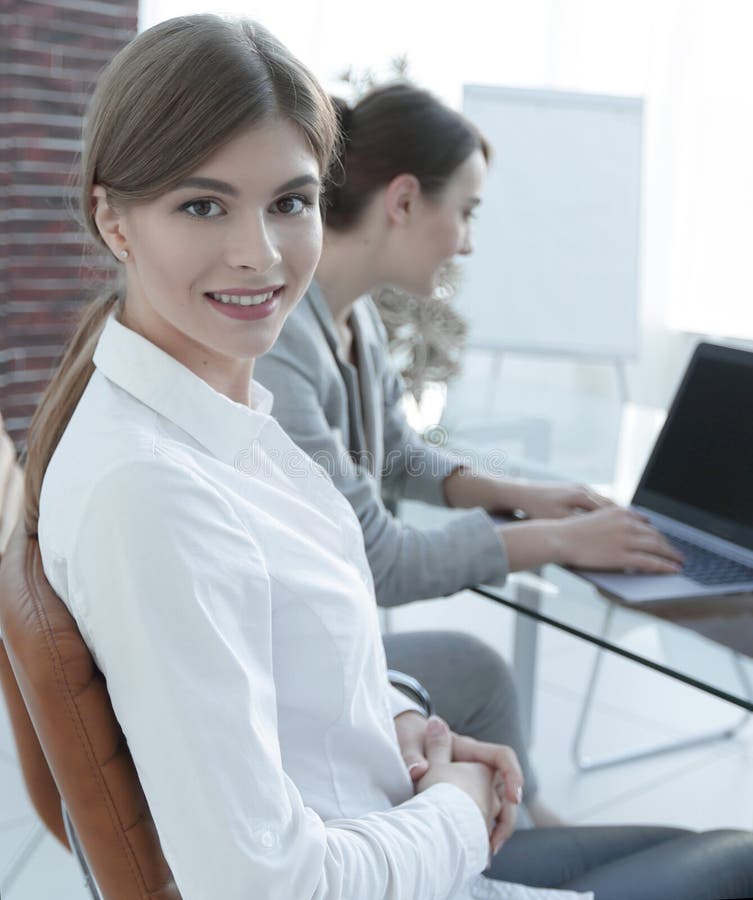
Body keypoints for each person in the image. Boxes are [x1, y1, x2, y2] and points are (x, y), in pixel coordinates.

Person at [23, 15, 753, 900]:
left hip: (381, 812)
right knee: (732, 857)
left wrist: (402, 716)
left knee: (701, 840)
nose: (259, 254)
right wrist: (456, 800)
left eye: (290, 202)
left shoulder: (221, 401)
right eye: (202, 204)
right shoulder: (154, 491)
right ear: (114, 219)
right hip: (386, 857)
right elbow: (265, 887)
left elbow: (387, 466)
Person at [252, 83, 683, 826]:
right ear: (405, 200)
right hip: (286, 674)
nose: (468, 241)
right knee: (477, 669)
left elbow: (389, 455)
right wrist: (555, 539)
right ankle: (525, 848)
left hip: (328, 650)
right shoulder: (283, 339)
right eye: (467, 211)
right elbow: (379, 561)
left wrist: (518, 494)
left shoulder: (353, 322)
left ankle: (525, 835)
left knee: (476, 672)